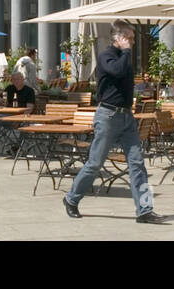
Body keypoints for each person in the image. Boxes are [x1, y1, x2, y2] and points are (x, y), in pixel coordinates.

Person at [63, 21, 164, 224]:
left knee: (137, 163)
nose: (133, 42)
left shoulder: (124, 58)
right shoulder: (106, 56)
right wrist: (126, 52)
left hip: (127, 116)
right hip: (108, 116)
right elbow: (116, 71)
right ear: (119, 38)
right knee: (95, 163)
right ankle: (71, 198)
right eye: (130, 38)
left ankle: (144, 210)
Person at [0, 69, 35, 155]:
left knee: (25, 124)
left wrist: (18, 119)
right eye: (13, 79)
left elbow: (29, 108)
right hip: (9, 116)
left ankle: (18, 147)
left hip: (22, 117)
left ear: (23, 79)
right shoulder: (9, 88)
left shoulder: (29, 91)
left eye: (18, 79)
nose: (16, 81)